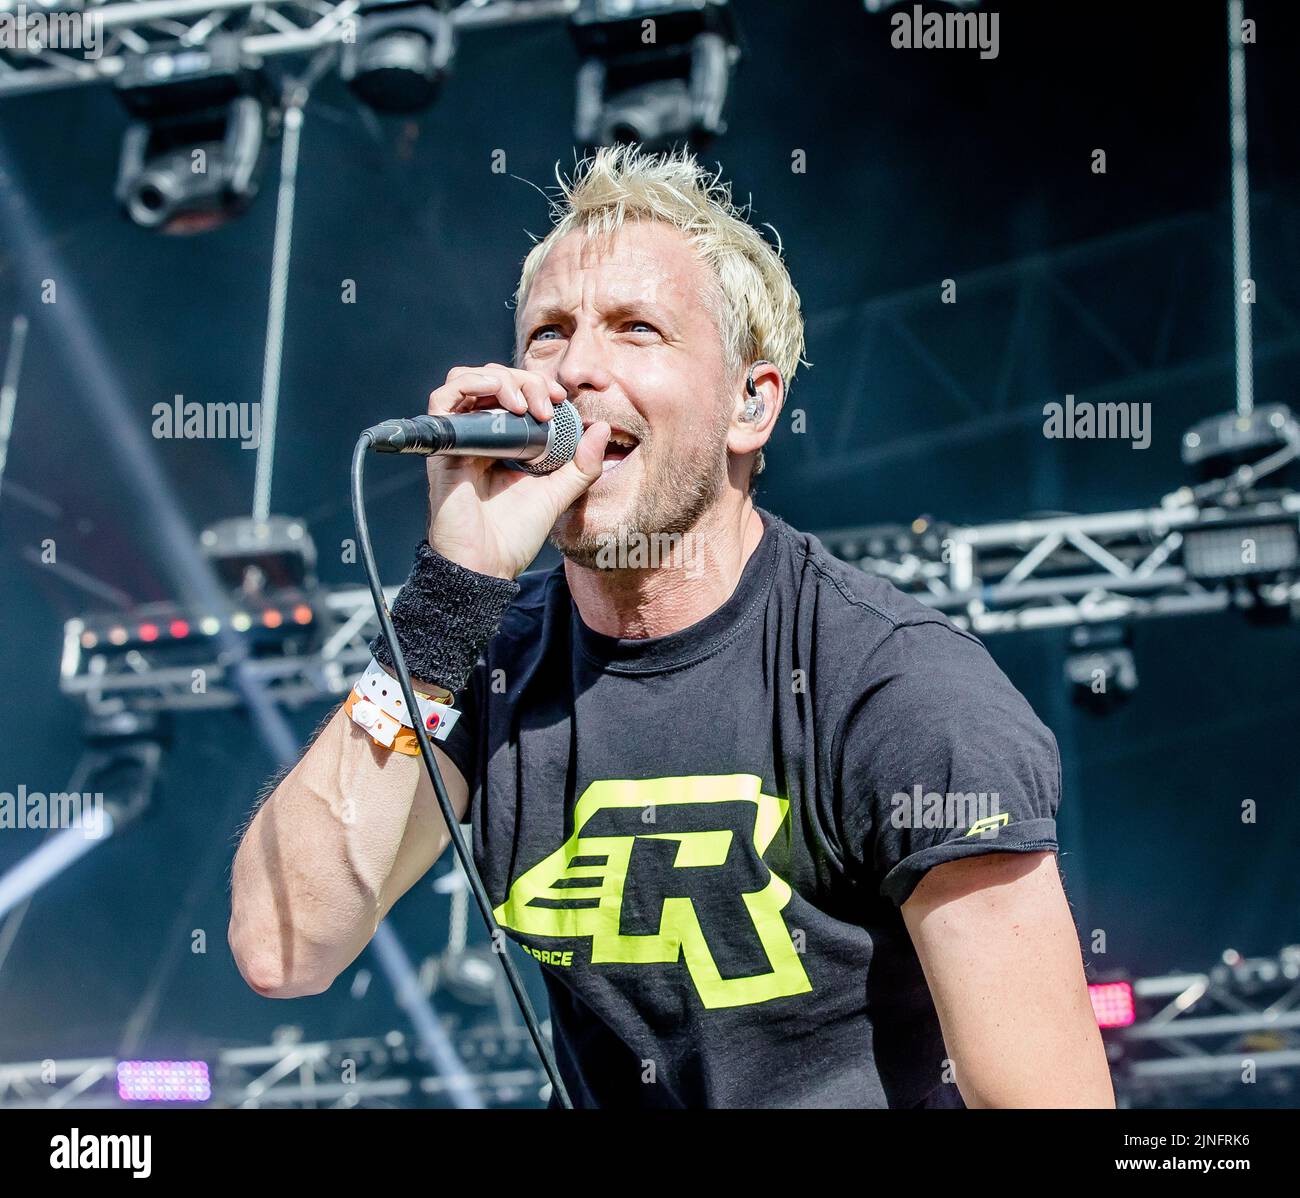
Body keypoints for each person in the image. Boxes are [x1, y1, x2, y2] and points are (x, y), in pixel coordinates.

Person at [229, 143, 1115, 1109]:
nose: (576, 372)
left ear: (751, 404)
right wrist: (448, 599)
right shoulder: (483, 660)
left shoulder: (896, 687)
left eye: (636, 329)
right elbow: (285, 944)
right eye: (548, 334)